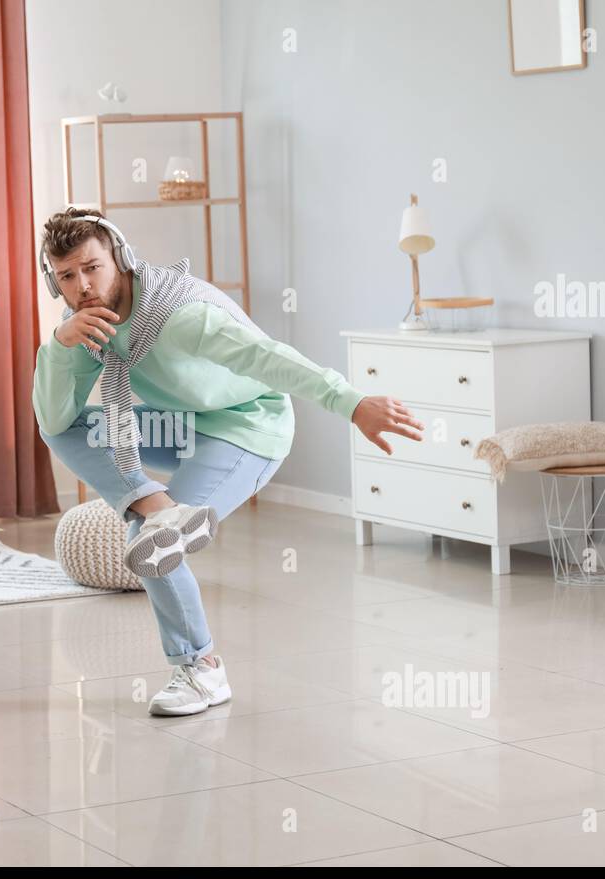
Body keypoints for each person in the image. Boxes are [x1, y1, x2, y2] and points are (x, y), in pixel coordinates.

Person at [32, 208, 423, 716]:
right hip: (181, 422)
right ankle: (154, 502)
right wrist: (61, 345)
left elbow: (269, 357)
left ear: (121, 258)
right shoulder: (83, 328)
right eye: (67, 276)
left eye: (92, 267)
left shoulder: (180, 313)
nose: (82, 285)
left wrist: (351, 402)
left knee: (150, 542)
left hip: (247, 426)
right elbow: (54, 417)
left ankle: (202, 670)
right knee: (64, 430)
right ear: (53, 283)